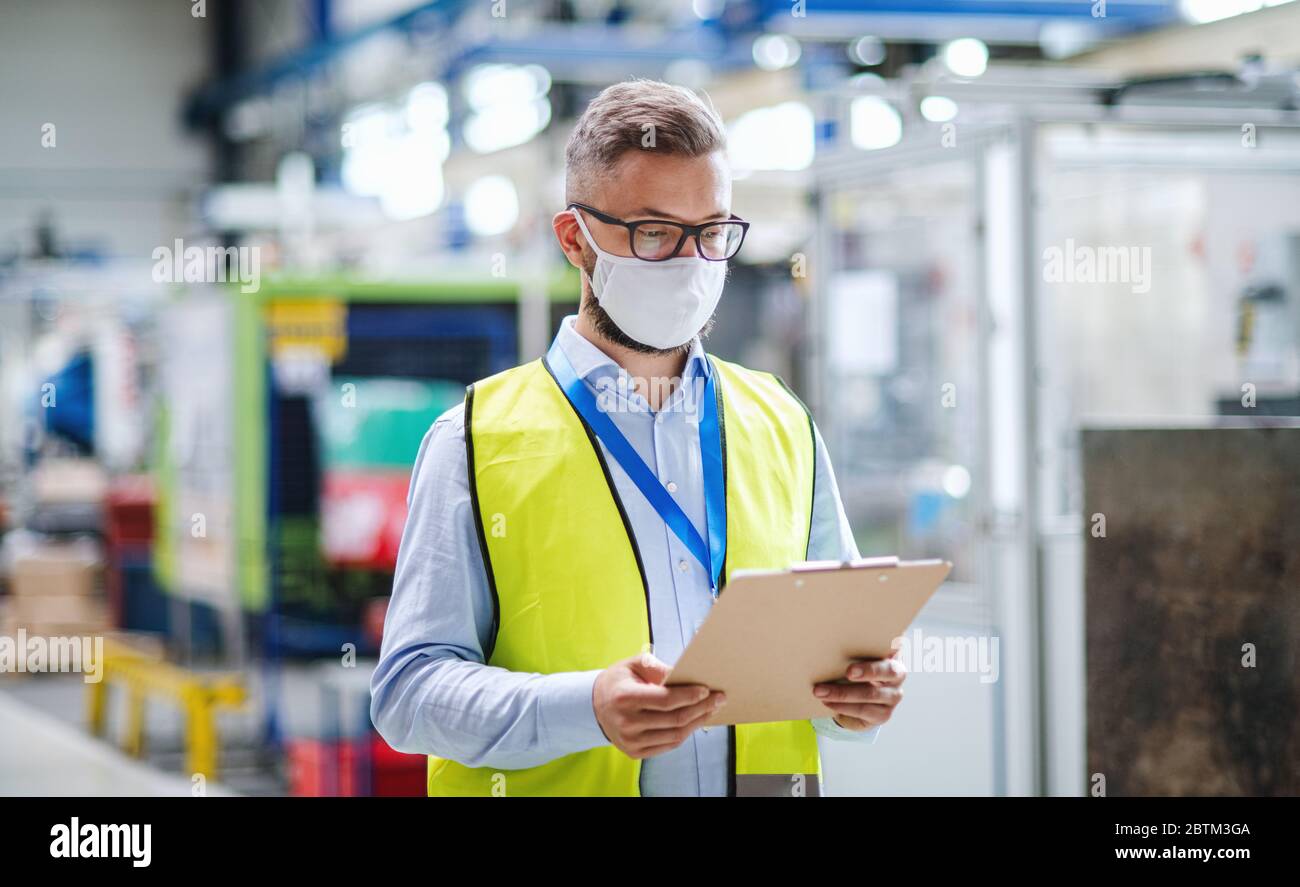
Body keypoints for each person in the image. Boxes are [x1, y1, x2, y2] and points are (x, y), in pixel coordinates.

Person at [370, 79, 906, 797]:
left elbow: (840, 656)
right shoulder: (474, 442)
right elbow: (408, 693)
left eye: (711, 232)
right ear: (575, 239)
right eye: (654, 232)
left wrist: (861, 700)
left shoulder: (782, 421)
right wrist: (583, 708)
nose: (690, 262)